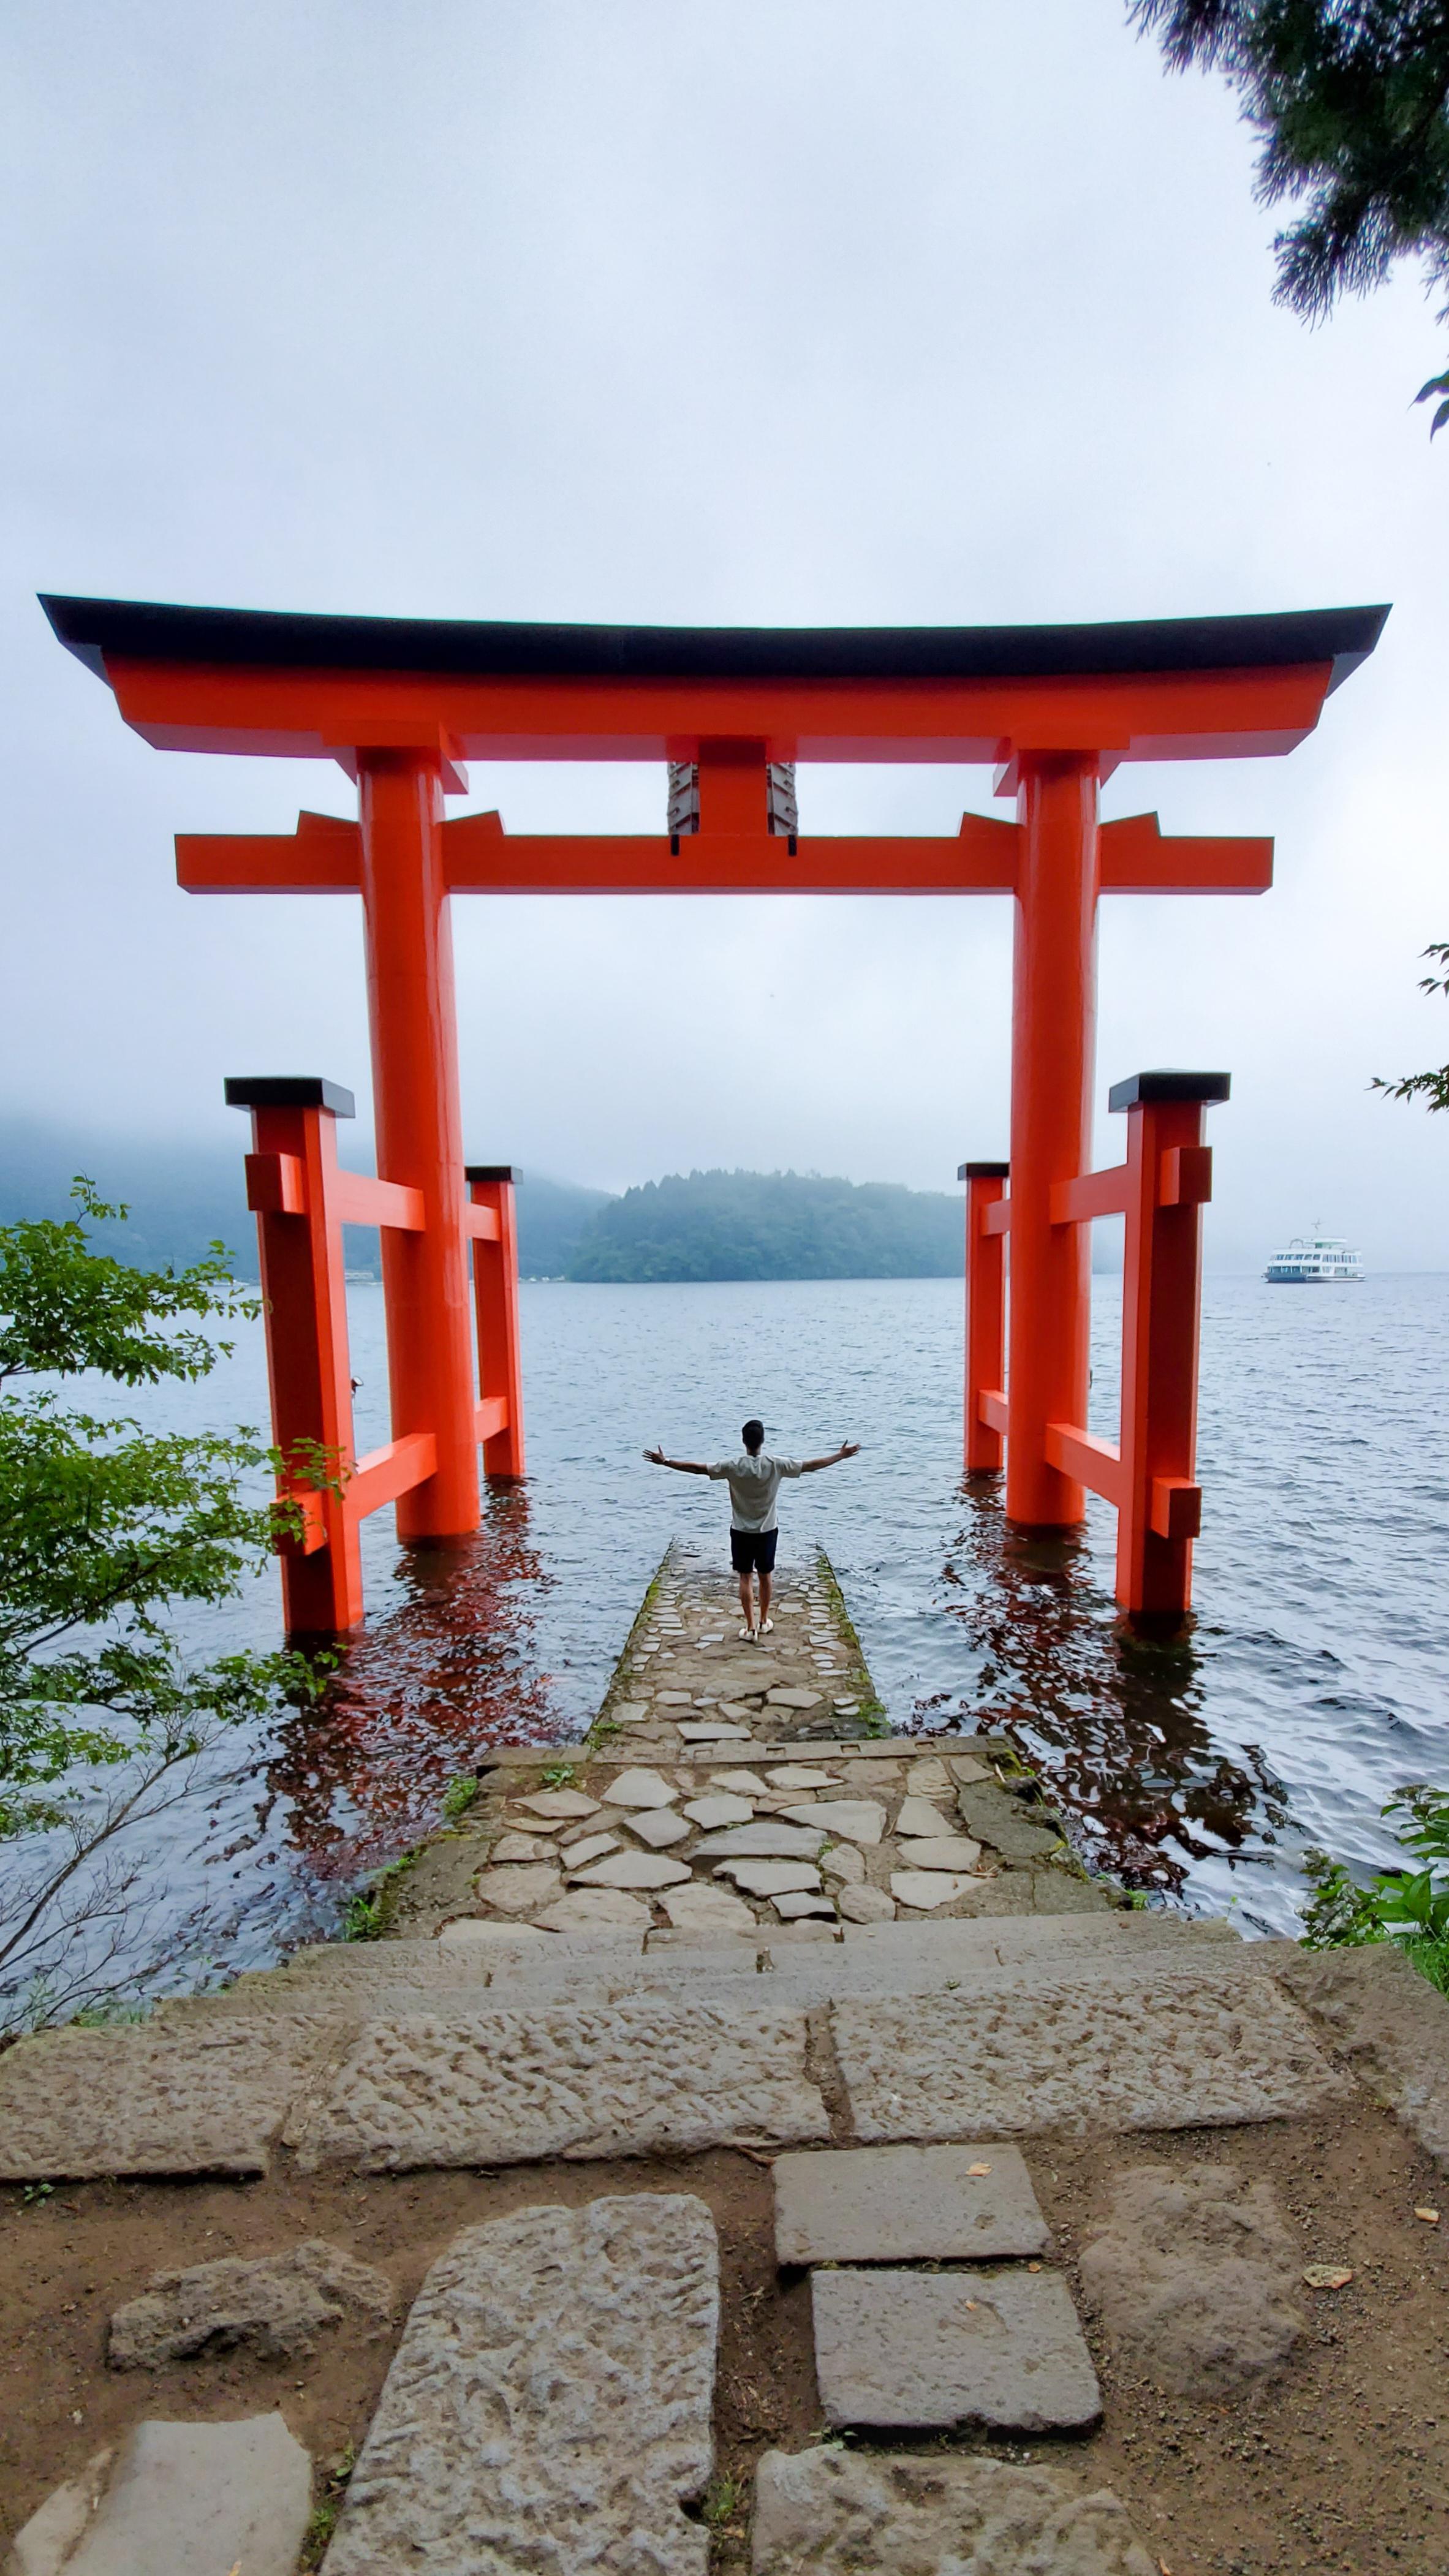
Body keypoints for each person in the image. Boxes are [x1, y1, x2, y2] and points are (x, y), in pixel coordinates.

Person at [645, 1418, 860, 1640]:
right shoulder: (776, 1464)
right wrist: (840, 1455)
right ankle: (764, 1621)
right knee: (766, 1577)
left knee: (745, 1577)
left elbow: (697, 1469)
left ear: (743, 1441)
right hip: (768, 1531)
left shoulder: (733, 1466)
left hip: (741, 1531)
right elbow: (810, 1466)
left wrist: (666, 1461)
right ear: (762, 1440)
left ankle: (750, 1628)